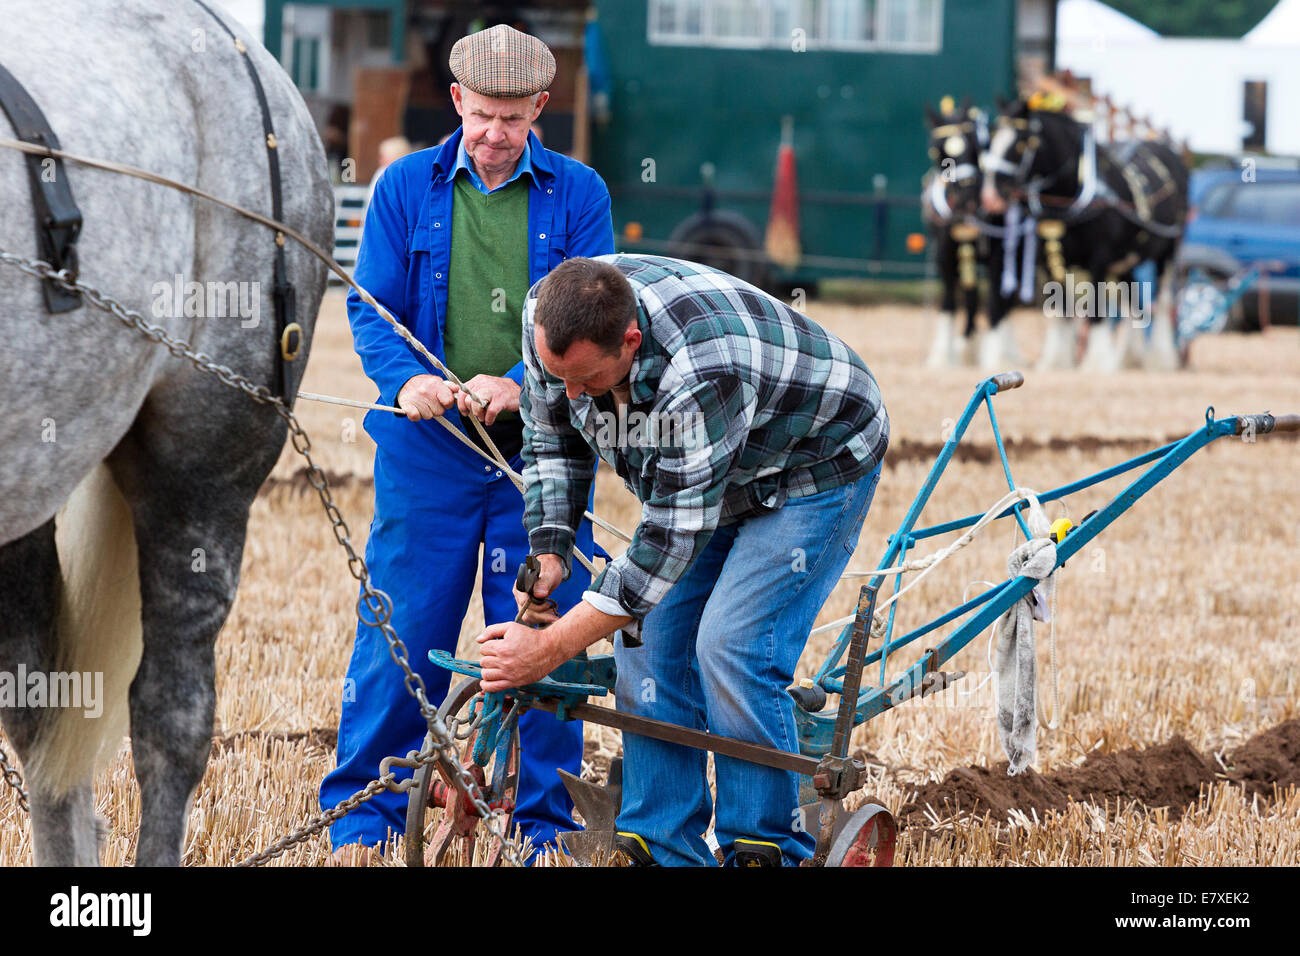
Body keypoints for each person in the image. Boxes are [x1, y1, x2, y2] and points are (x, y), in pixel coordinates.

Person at [477, 255, 890, 866]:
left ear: (631, 342)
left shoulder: (702, 370)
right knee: (645, 641)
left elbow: (671, 535)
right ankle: (661, 841)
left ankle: (762, 844)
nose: (568, 393)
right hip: (711, 474)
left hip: (815, 462)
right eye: (556, 374)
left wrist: (551, 647)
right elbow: (551, 442)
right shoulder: (548, 317)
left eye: (586, 380)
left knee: (731, 644)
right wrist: (550, 547)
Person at [320, 24, 614, 863]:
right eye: (482, 115)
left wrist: (524, 386)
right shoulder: (404, 185)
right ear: (455, 102)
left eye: (513, 119)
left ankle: (542, 827)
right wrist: (404, 382)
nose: (495, 133)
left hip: (545, 452)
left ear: (539, 112)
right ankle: (363, 819)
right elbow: (371, 308)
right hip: (427, 451)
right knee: (404, 632)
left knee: (541, 629)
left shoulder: (580, 193)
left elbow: (593, 322)